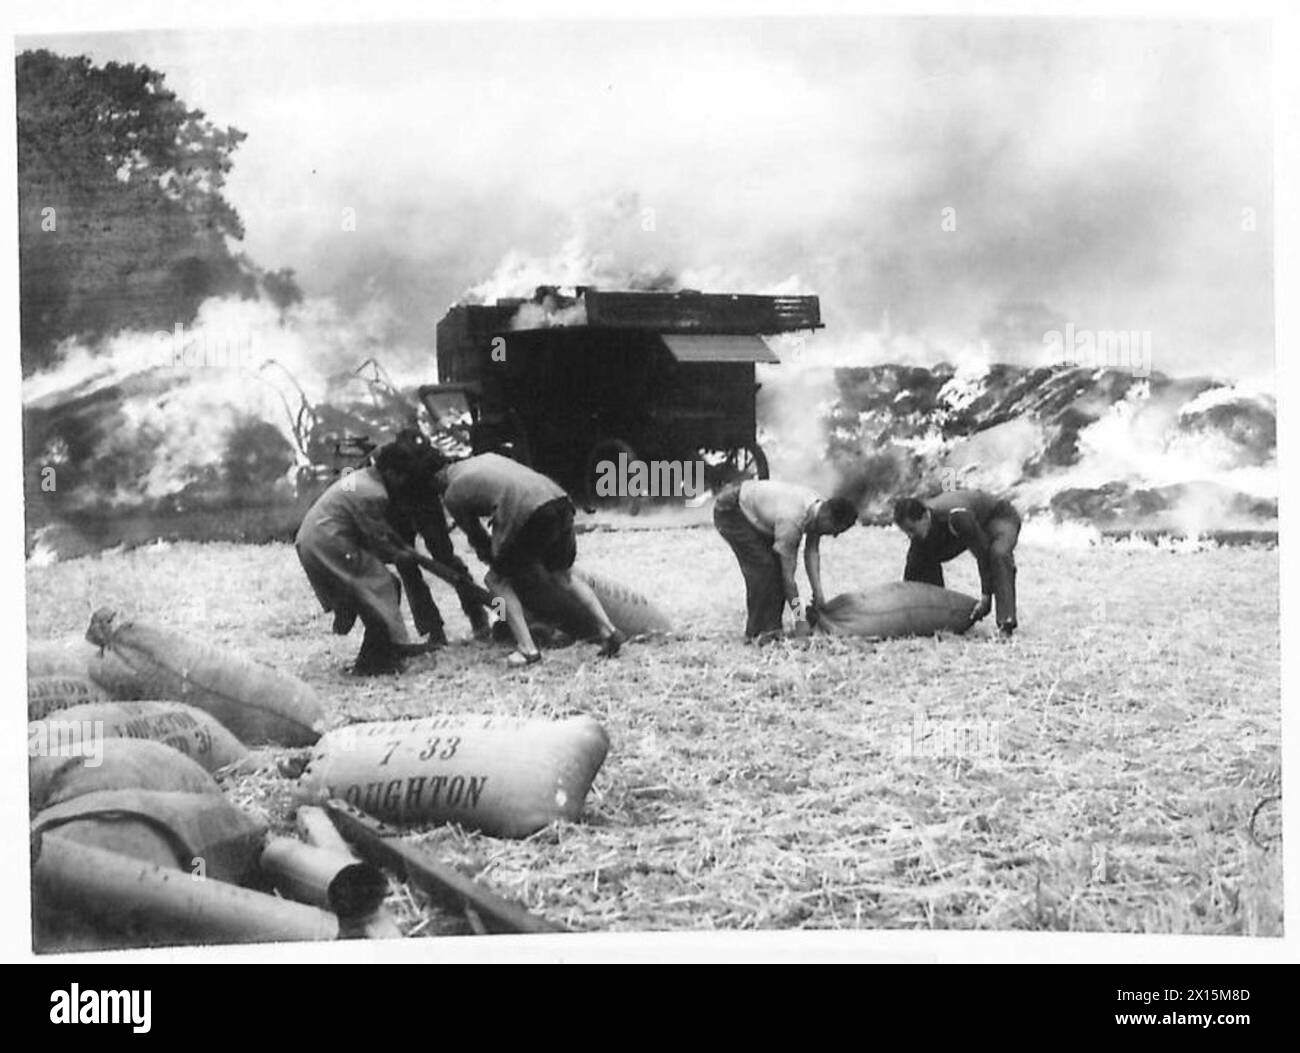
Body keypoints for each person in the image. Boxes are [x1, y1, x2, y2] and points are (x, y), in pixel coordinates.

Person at [432, 452, 626, 666]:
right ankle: (609, 631)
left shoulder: (451, 492)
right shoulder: (484, 459)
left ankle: (527, 649)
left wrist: (493, 558)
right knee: (564, 575)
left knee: (495, 581)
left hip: (527, 510)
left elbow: (475, 533)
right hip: (559, 501)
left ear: (435, 478)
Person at [294, 449, 435, 676]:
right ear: (390, 472)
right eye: (402, 477)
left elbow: (380, 529)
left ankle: (381, 650)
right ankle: (382, 655)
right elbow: (375, 537)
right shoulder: (374, 493)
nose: (403, 483)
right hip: (329, 541)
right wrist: (399, 554)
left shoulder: (362, 478)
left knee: (375, 590)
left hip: (316, 538)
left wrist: (399, 546)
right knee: (381, 588)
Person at [713, 478, 859, 642]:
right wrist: (799, 619)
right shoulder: (792, 522)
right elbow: (788, 580)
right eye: (836, 530)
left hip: (756, 506)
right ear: (827, 517)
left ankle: (772, 629)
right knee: (765, 569)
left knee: (774, 567)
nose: (834, 535)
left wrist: (819, 596)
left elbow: (812, 553)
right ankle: (758, 633)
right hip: (731, 509)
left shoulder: (818, 507)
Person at [381, 430, 492, 644]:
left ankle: (478, 618)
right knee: (408, 566)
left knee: (446, 563)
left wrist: (481, 544)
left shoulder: (429, 462)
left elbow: (453, 492)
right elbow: (351, 477)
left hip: (426, 506)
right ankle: (435, 631)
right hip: (397, 510)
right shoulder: (383, 460)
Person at [892, 489, 1021, 636]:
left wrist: (986, 598)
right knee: (920, 557)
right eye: (906, 532)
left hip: (998, 516)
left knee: (998, 553)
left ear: (924, 517)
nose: (910, 536)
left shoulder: (958, 516)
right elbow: (911, 573)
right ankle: (936, 619)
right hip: (969, 525)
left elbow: (982, 553)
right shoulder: (922, 527)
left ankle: (1006, 623)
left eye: (911, 529)